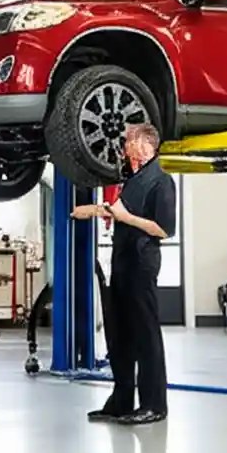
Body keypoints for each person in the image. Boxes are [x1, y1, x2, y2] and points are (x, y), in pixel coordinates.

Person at [71, 122, 175, 426]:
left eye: (129, 140)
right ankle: (121, 400)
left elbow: (164, 229)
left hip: (141, 264)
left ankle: (154, 404)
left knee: (145, 335)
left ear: (145, 145)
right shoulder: (134, 179)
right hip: (122, 262)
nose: (124, 145)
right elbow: (118, 211)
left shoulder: (162, 182)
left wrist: (126, 217)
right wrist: (91, 211)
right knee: (119, 334)